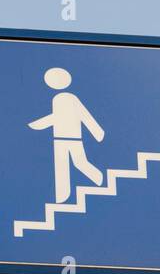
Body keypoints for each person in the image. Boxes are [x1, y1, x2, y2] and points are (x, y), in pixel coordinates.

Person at [28, 67, 104, 203]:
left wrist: (97, 132)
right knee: (61, 167)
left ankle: (98, 178)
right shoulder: (57, 99)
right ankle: (62, 196)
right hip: (59, 139)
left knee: (80, 163)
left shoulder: (68, 98)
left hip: (73, 139)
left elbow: (83, 115)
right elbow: (57, 117)